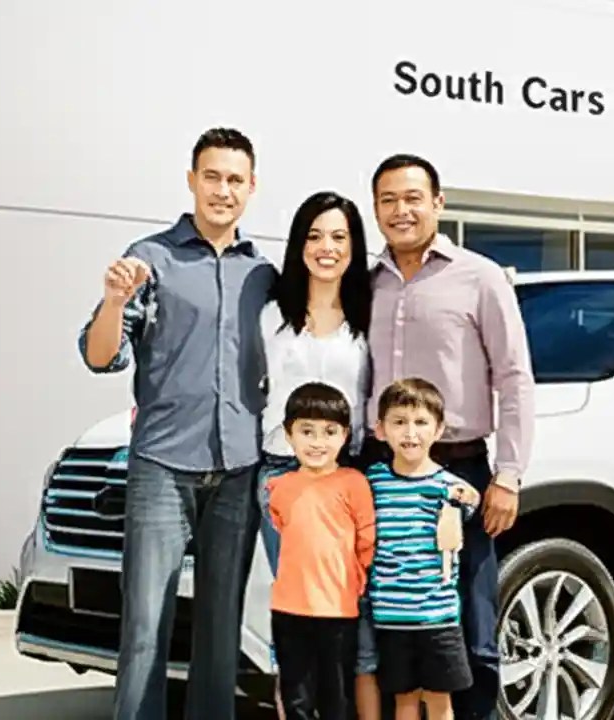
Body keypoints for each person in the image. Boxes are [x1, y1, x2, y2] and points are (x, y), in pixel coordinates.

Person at [77, 127, 276, 720]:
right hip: (162, 466)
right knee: (144, 625)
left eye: (235, 179)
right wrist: (113, 302)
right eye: (211, 176)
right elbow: (98, 355)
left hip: (239, 469)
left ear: (252, 187)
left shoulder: (263, 273)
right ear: (191, 181)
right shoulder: (149, 257)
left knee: (220, 630)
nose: (223, 190)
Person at [365, 153, 536, 720]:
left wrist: (508, 475)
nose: (401, 210)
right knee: (387, 626)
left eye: (413, 197)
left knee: (470, 623)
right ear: (375, 208)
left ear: (438, 202)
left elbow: (514, 377)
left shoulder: (480, 277)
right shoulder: (365, 284)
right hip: (379, 471)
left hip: (459, 471)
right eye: (388, 200)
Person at [256, 190, 378, 718]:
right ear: (298, 244)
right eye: (314, 235)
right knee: (297, 624)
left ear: (354, 247)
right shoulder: (270, 316)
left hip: (347, 479)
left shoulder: (369, 317)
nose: (326, 247)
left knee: (354, 619)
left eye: (339, 237)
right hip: (282, 476)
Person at [365, 378, 483, 720]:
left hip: (437, 616)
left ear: (438, 430)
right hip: (390, 615)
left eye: (421, 423)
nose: (410, 433)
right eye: (399, 422)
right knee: (404, 700)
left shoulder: (449, 485)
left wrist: (468, 498)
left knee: (438, 699)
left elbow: (472, 504)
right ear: (381, 430)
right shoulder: (375, 481)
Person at [267, 382, 376, 720]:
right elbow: (283, 533)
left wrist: (356, 581)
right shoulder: (279, 488)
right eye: (307, 431)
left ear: (345, 435)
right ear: (289, 435)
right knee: (296, 696)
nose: (317, 442)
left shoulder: (353, 483)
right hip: (288, 610)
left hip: (339, 611)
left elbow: (366, 539)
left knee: (336, 698)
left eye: (329, 432)